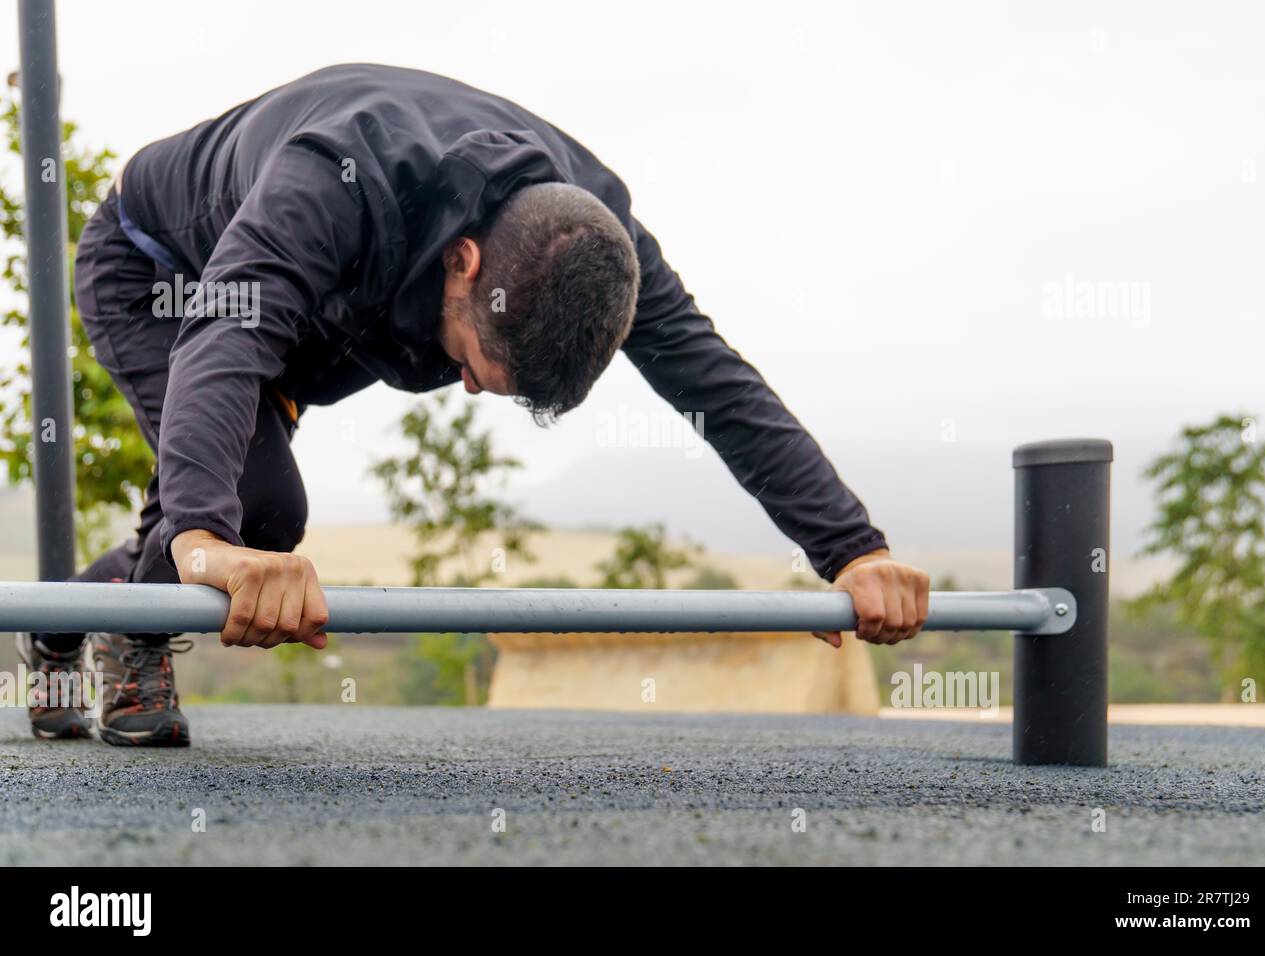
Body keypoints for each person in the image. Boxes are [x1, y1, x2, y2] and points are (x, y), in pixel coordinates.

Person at [21, 64, 929, 746]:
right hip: (163, 274)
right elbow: (225, 335)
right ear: (466, 263)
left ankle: (58, 614)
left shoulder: (593, 241)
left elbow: (717, 387)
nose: (462, 386)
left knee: (247, 512)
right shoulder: (333, 177)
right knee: (259, 514)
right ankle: (131, 637)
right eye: (477, 364)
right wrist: (206, 542)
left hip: (331, 308)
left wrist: (854, 550)